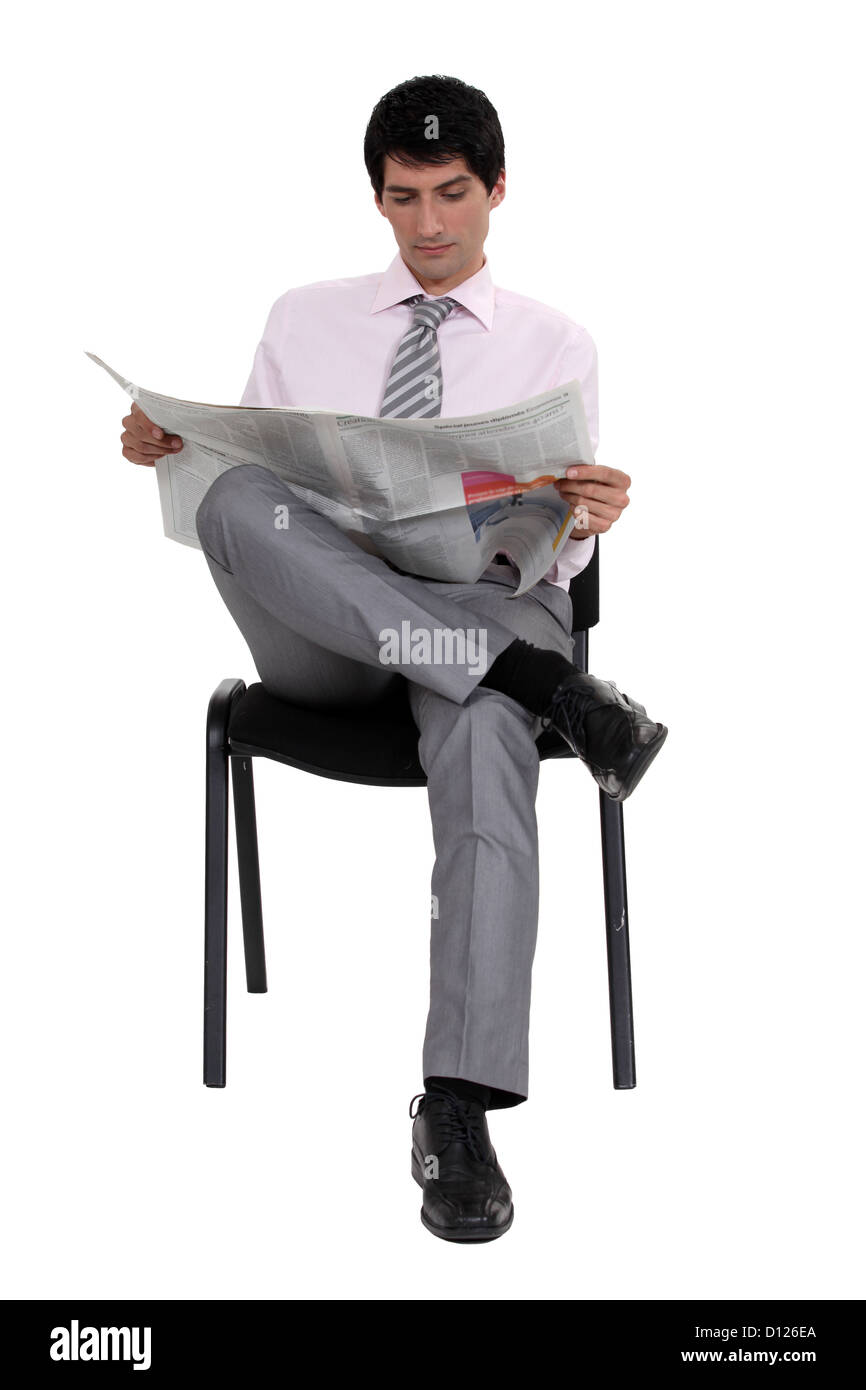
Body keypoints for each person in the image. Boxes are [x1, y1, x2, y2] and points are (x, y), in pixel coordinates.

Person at [119, 74, 668, 1244]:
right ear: (375, 197)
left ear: (497, 190)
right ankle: (543, 690)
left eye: (453, 194)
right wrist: (172, 446)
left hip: (485, 603)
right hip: (333, 642)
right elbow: (259, 500)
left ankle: (458, 1106)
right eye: (403, 197)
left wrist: (590, 507)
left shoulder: (554, 342)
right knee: (240, 501)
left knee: (476, 719)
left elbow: (545, 527)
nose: (428, 225)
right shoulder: (300, 317)